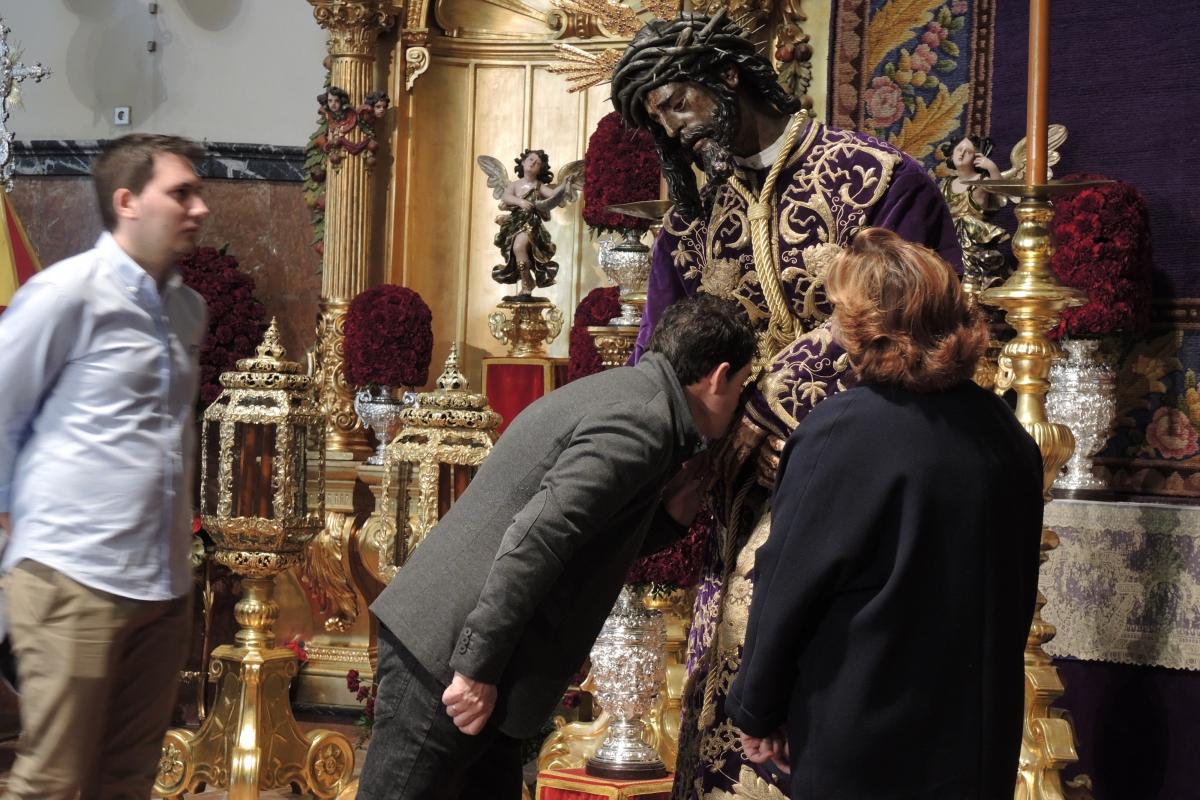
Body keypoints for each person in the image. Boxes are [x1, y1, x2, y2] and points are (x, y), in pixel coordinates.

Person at [610, 12, 963, 797]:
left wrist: (774, 411)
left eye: (675, 102)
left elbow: (915, 322)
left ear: (727, 75)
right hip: (739, 497)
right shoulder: (690, 226)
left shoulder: (879, 182)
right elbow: (661, 364)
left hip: (861, 496)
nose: (671, 127)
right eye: (656, 119)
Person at [358, 293, 757, 800]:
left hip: (469, 655)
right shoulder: (643, 423)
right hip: (450, 660)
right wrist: (476, 668)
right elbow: (538, 539)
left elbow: (592, 538)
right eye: (741, 384)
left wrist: (677, 508)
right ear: (719, 376)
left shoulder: (631, 397)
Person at [726, 228, 1044, 799]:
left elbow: (788, 584)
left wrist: (756, 707)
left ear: (861, 324)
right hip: (976, 742)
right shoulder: (1006, 433)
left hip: (861, 736)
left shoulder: (842, 433)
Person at [0, 133, 209, 799]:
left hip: (161, 585)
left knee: (126, 781)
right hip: (72, 576)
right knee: (54, 781)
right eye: (181, 193)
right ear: (126, 201)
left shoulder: (187, 309)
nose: (200, 207)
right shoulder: (67, 294)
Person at [939, 134, 1010, 291]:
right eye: (958, 149)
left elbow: (1000, 191)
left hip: (974, 241)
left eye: (968, 151)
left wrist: (991, 168)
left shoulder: (982, 181)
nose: (962, 153)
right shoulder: (946, 184)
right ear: (951, 154)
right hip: (950, 241)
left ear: (977, 157)